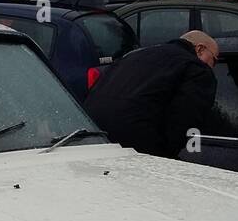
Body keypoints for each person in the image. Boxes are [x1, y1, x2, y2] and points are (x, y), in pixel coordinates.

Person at [84, 30, 219, 159]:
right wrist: (166, 155)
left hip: (92, 138)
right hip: (139, 147)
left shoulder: (135, 55)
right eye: (214, 59)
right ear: (200, 49)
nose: (213, 66)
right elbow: (186, 119)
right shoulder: (196, 69)